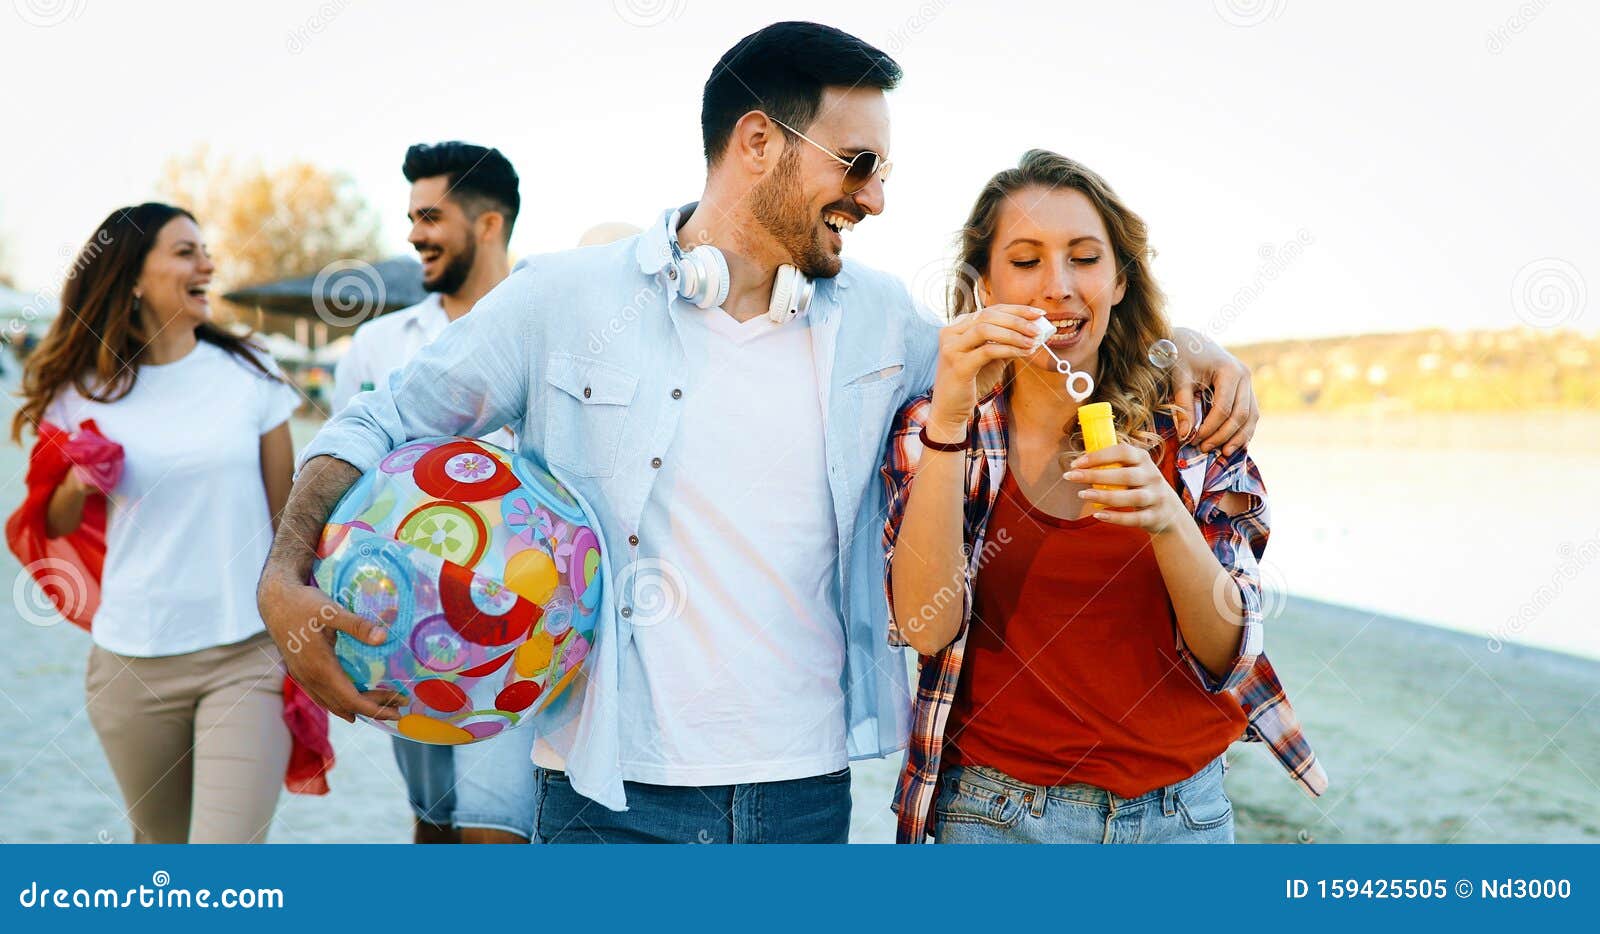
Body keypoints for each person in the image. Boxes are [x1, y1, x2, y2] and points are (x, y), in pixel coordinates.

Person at [256, 22, 1260, 844]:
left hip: (805, 798)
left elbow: (1042, 339)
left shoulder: (879, 321)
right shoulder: (559, 299)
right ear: (757, 143)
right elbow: (384, 416)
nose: (875, 197)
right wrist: (284, 567)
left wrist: (1177, 344)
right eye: (859, 164)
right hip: (602, 796)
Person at [881, 151, 1328, 844]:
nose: (1057, 286)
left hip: (1182, 819)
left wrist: (1168, 521)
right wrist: (947, 420)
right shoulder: (936, 425)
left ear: (1120, 279)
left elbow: (1228, 654)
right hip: (997, 818)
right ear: (984, 286)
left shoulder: (1194, 420)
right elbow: (924, 628)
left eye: (1084, 258)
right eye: (1025, 261)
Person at [11, 203, 306, 843]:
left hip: (245, 651)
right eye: (184, 252)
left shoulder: (250, 370)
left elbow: (288, 517)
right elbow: (57, 521)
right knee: (162, 865)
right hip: (130, 666)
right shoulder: (81, 388)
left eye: (205, 250)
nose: (207, 264)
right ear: (134, 277)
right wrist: (78, 479)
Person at [330, 142, 529, 844]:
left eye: (431, 216)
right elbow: (342, 500)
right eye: (411, 216)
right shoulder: (377, 348)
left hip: (531, 629)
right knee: (433, 821)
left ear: (488, 224)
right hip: (408, 634)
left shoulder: (550, 330)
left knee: (506, 830)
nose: (415, 233)